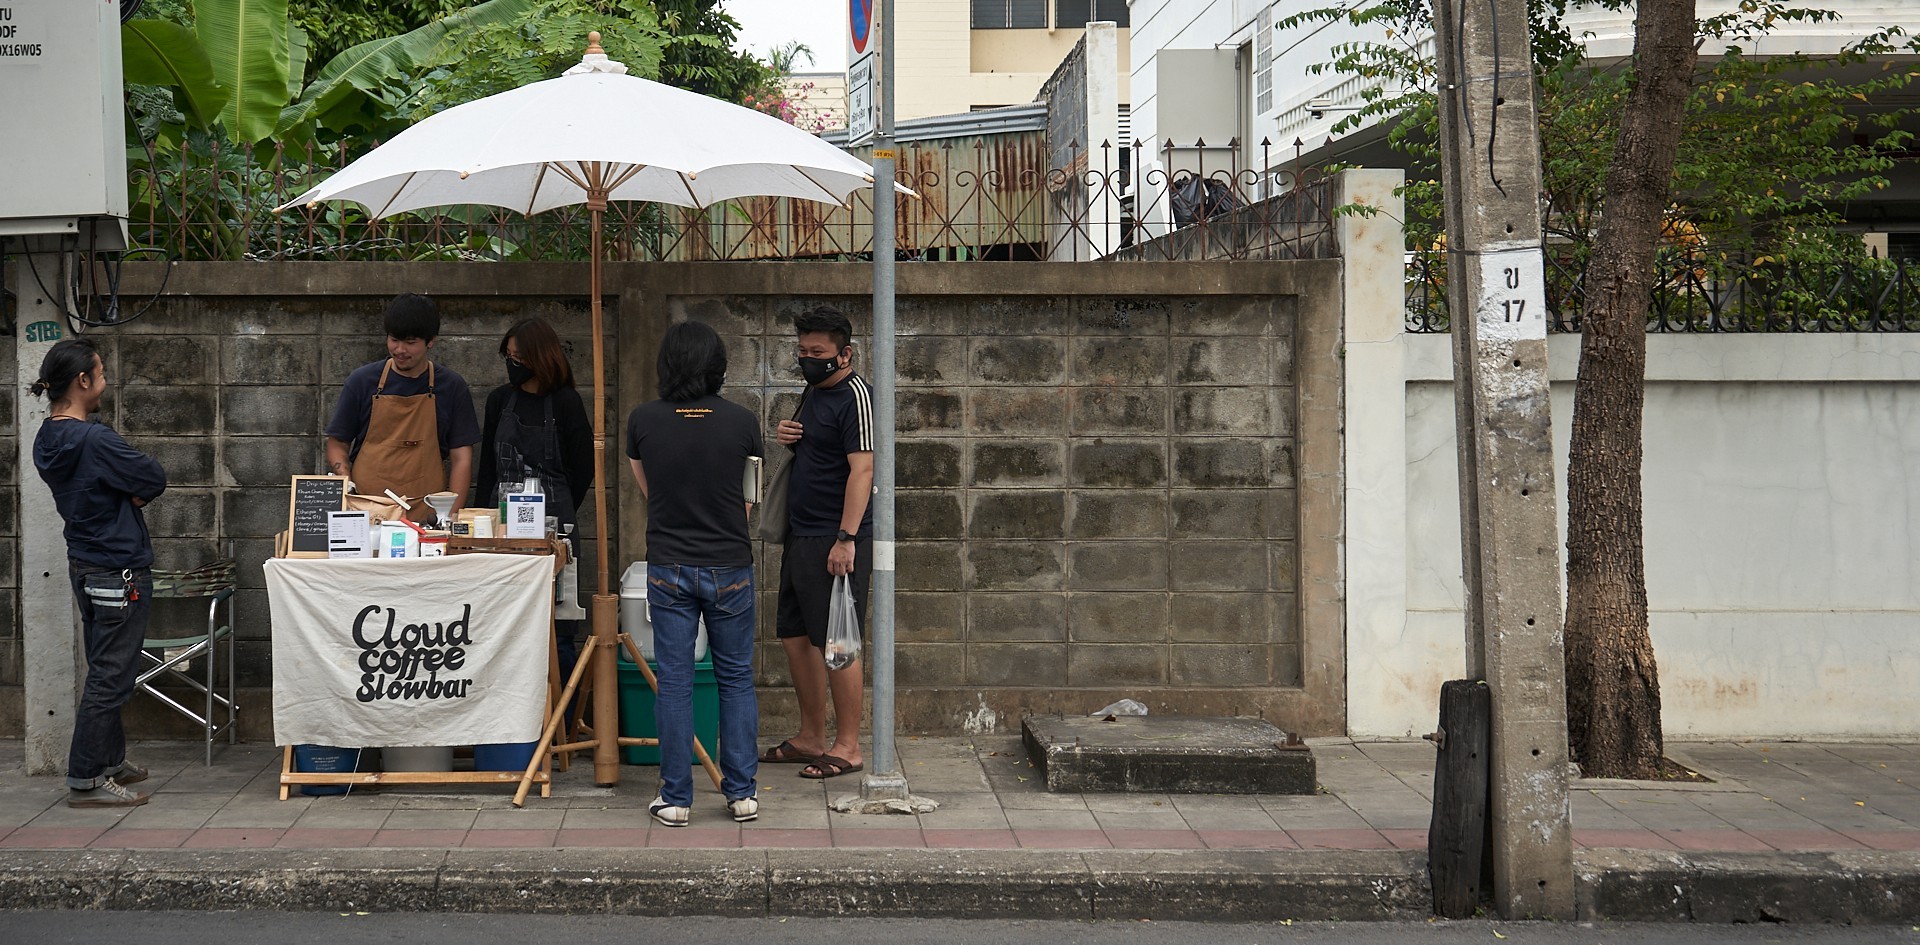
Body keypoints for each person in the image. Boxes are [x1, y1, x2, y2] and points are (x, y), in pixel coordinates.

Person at [625, 321, 764, 827]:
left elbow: (650, 491)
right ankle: (742, 794)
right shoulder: (743, 422)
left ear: (666, 364)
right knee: (735, 677)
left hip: (670, 564)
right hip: (730, 563)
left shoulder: (643, 420)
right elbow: (748, 500)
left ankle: (676, 798)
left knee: (675, 680)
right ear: (718, 366)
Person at [31, 338, 168, 808]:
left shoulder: (47, 438)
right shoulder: (95, 440)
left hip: (85, 565)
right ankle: (86, 779)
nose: (106, 381)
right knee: (110, 676)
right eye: (102, 373)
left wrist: (121, 488)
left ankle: (109, 761)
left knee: (106, 668)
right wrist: (130, 491)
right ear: (82, 380)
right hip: (118, 567)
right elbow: (153, 477)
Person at [765, 305, 874, 781]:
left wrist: (846, 538)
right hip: (801, 535)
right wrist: (788, 435)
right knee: (794, 636)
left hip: (836, 538)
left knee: (839, 642)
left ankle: (848, 746)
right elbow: (814, 450)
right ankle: (810, 736)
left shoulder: (856, 396)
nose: (808, 359)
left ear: (844, 354)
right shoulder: (813, 392)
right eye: (802, 351)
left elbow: (863, 470)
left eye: (818, 351)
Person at [474, 317, 594, 671]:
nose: (513, 364)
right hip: (502, 530)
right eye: (509, 357)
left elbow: (584, 468)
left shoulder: (567, 402)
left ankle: (562, 704)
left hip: (555, 529)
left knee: (558, 625)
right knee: (502, 622)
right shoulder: (499, 401)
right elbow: (487, 468)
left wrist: (559, 506)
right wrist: (482, 521)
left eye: (520, 357)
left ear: (541, 358)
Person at [324, 293, 479, 519]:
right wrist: (346, 482)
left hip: (428, 514)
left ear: (430, 341)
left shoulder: (451, 386)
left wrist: (449, 518)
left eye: (410, 342)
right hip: (367, 512)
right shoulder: (362, 381)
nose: (399, 350)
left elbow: (461, 459)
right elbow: (337, 443)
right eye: (394, 340)